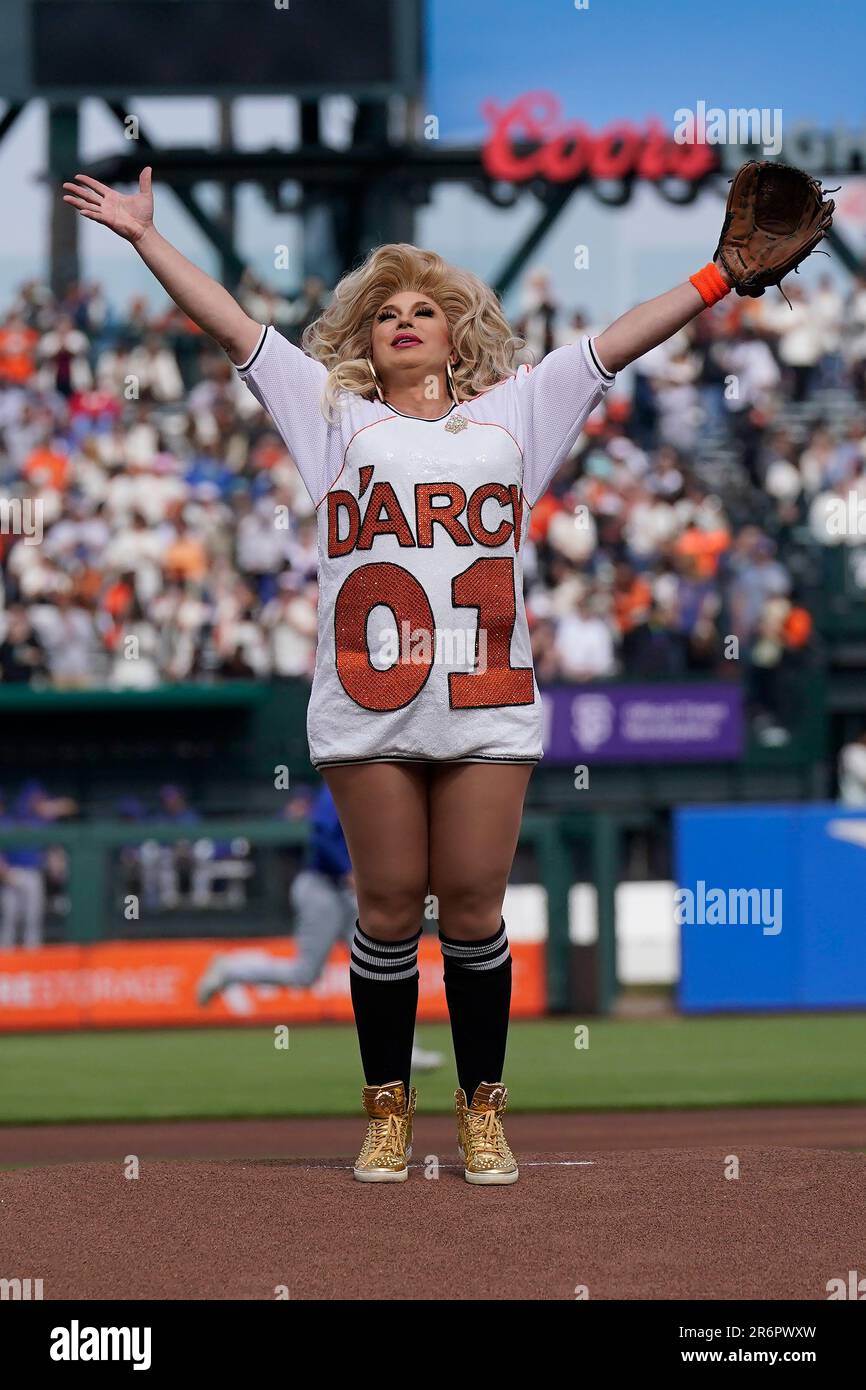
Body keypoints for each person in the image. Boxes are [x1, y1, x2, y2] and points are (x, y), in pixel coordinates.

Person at [63, 162, 800, 1185]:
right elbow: (233, 325)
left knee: (470, 903)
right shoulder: (329, 415)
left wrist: (718, 277)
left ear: (456, 332)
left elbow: (620, 338)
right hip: (367, 701)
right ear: (362, 340)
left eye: (423, 309)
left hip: (485, 698)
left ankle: (482, 1112)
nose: (403, 321)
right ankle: (384, 1112)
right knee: (384, 905)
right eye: (384, 314)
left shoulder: (516, 413)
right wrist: (145, 238)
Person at [195, 782, 443, 1073]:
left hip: (352, 894)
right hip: (322, 888)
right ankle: (230, 969)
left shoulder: (384, 788)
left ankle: (405, 1051)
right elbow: (320, 834)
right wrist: (348, 871)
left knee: (385, 969)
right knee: (305, 974)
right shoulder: (338, 784)